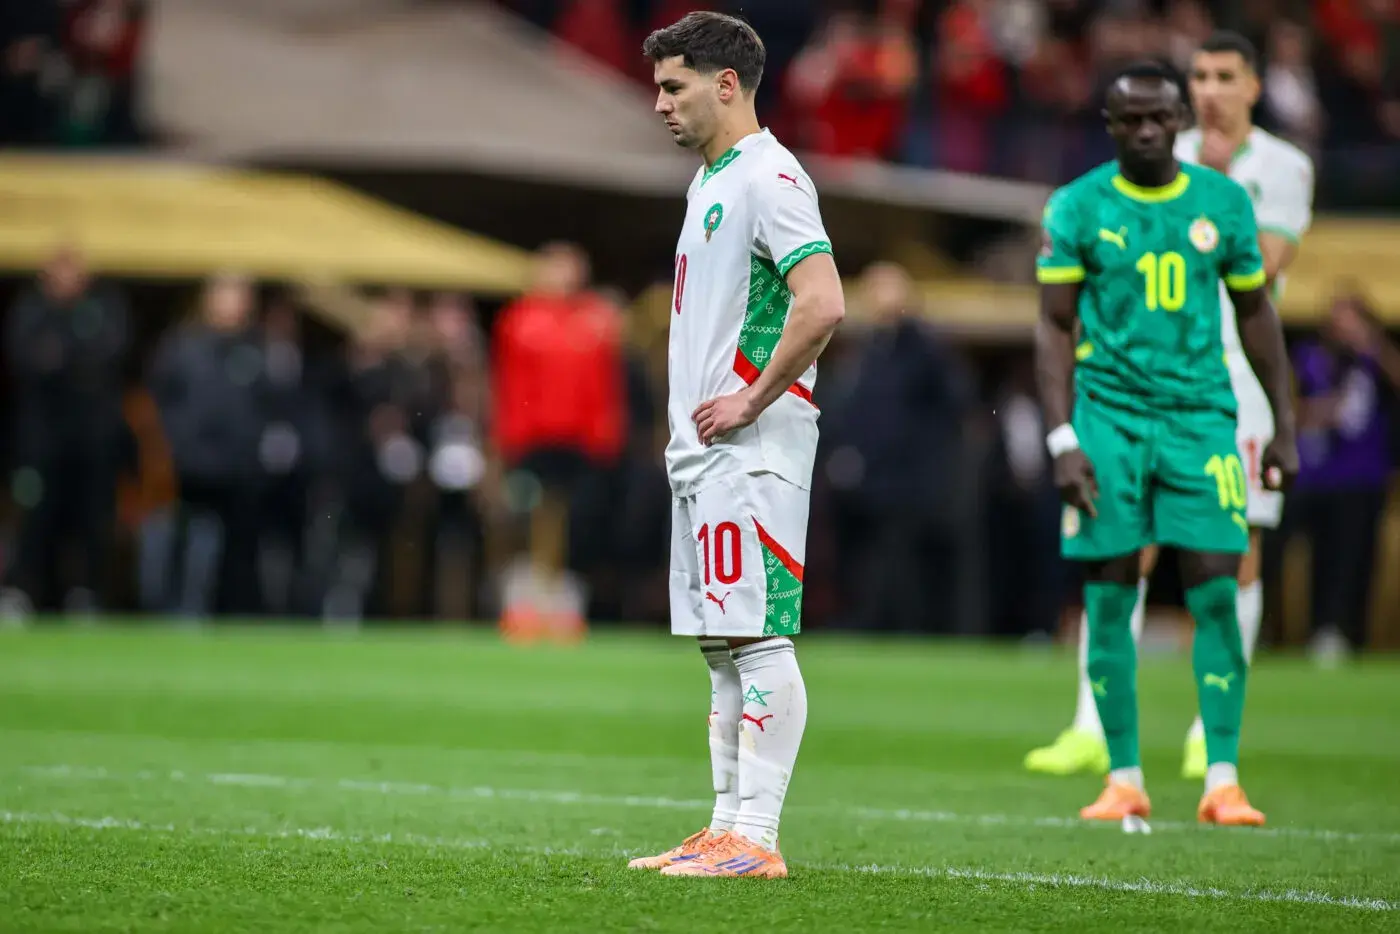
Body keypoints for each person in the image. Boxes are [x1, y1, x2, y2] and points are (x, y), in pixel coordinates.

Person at [1025, 33, 1314, 781]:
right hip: (1134, 388)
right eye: (1202, 75)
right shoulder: (1149, 159)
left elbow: (1264, 269)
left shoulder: (1279, 168)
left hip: (1231, 385)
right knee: (1125, 550)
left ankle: (1204, 734)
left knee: (1234, 554)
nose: (1212, 88)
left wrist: (1212, 183)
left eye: (1225, 76)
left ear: (1253, 87)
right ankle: (1092, 726)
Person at [627, 11, 845, 879]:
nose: (659, 104)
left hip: (754, 450)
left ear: (726, 85)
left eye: (672, 87)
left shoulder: (772, 176)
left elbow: (822, 302)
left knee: (758, 639)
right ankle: (725, 829)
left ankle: (756, 835)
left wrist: (751, 399)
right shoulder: (711, 181)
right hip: (706, 453)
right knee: (723, 647)